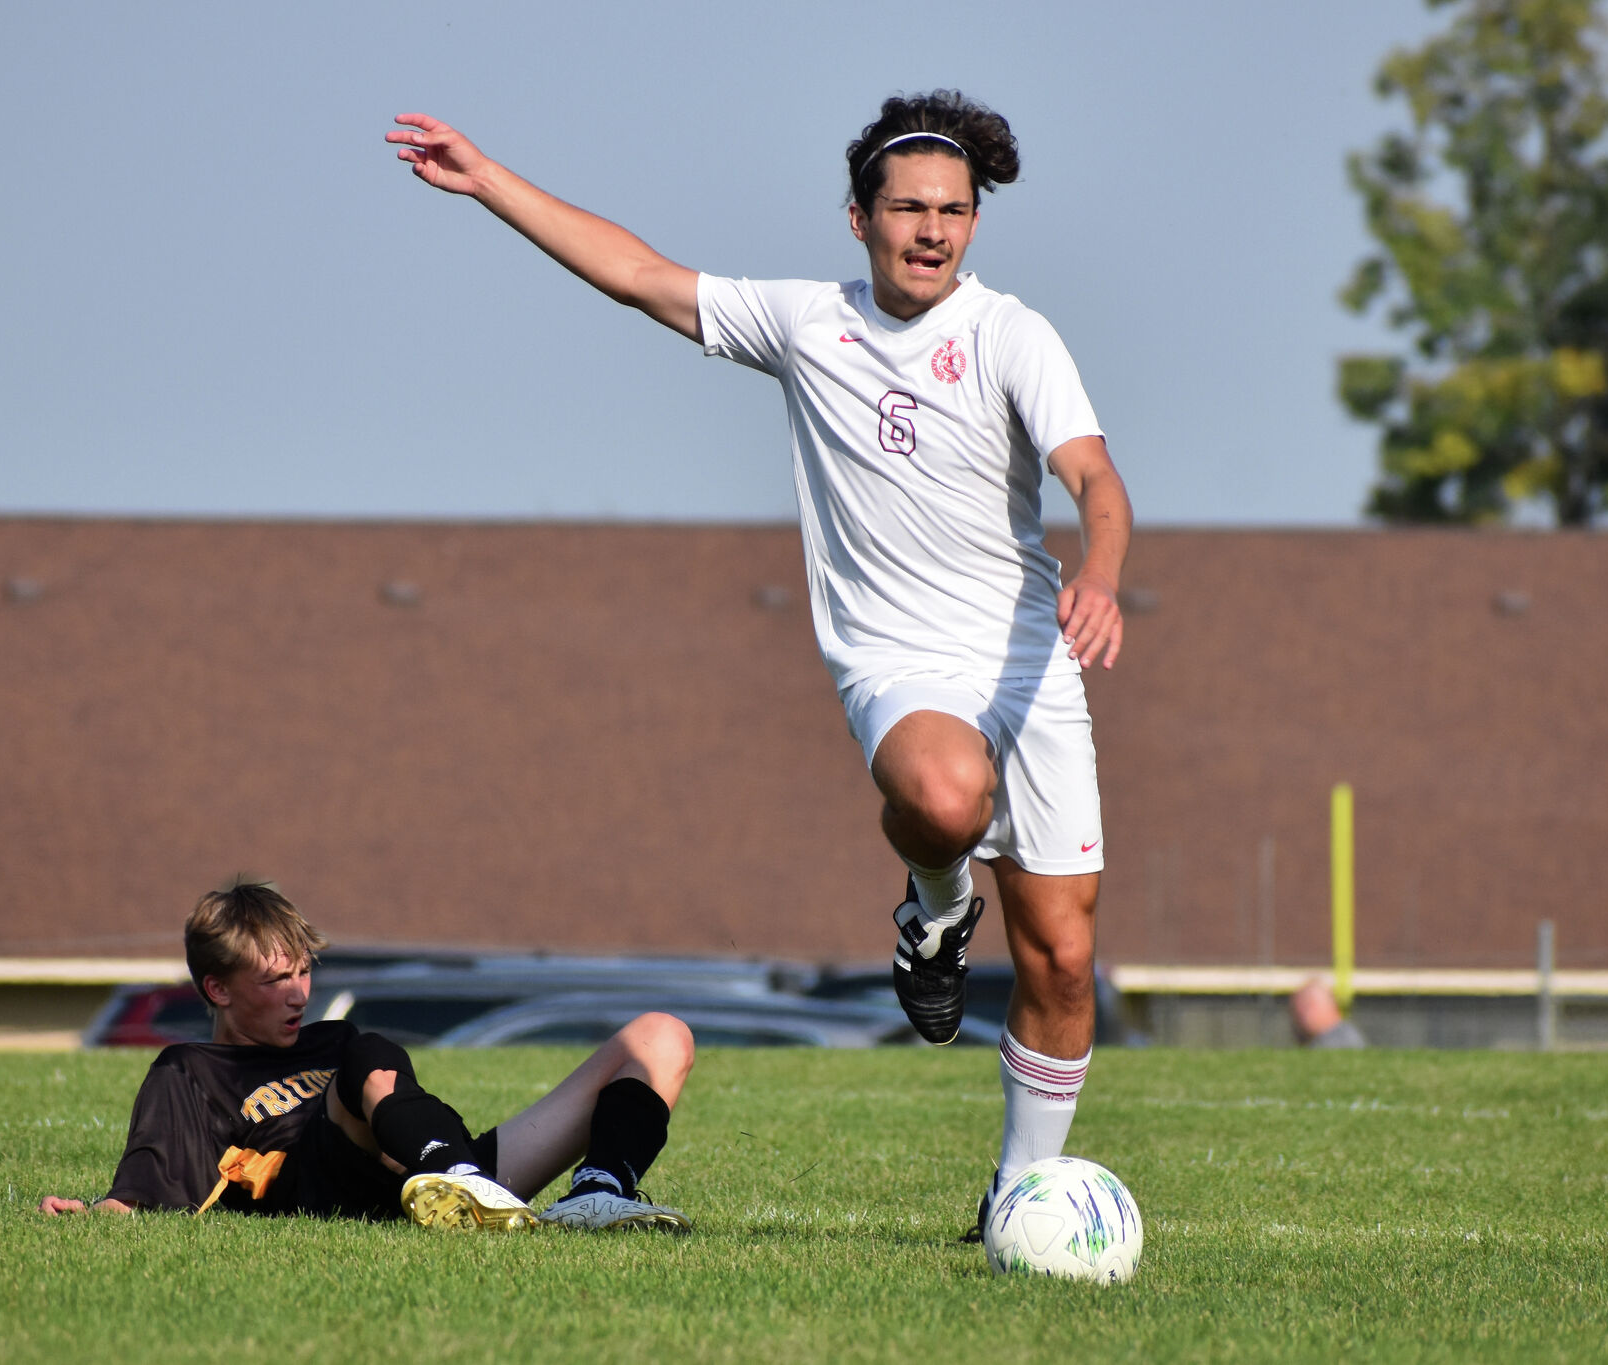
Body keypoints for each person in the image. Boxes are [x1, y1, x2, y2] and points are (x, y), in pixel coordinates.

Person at [386, 89, 1133, 1239]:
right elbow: (640, 276)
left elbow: (1093, 474)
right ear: (857, 218)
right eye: (906, 209)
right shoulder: (805, 322)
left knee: (1065, 959)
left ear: (974, 220)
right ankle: (934, 908)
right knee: (943, 795)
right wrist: (490, 182)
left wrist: (1099, 569)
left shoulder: (1010, 334)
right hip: (895, 657)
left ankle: (1014, 1195)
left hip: (1027, 654)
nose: (931, 230)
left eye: (953, 210)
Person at [40, 882, 695, 1231]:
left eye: (303, 971)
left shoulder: (327, 1040)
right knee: (370, 1051)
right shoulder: (188, 1070)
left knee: (661, 1034)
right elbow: (147, 1185)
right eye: (275, 980)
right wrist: (100, 1212)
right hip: (346, 1186)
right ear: (217, 988)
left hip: (436, 1173)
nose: (300, 993)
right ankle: (464, 1181)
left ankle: (596, 1191)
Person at [1290, 977, 1368, 1050]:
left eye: (1309, 1005)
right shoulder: (1319, 1040)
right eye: (1298, 1008)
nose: (1303, 1014)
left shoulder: (1342, 1040)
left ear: (1331, 1005)